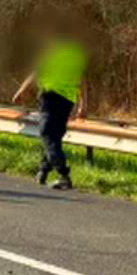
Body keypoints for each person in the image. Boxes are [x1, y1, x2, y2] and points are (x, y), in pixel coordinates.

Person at [12, 30, 89, 190]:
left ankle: (63, 175)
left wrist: (21, 90)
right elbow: (82, 80)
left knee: (47, 133)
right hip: (67, 101)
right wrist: (83, 104)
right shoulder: (76, 55)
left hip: (50, 97)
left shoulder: (50, 51)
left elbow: (36, 73)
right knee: (54, 137)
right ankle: (43, 170)